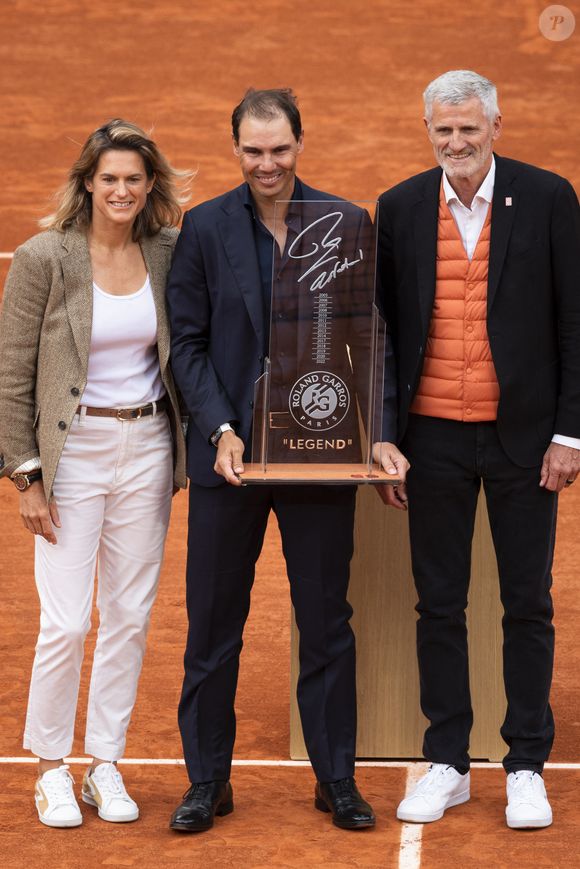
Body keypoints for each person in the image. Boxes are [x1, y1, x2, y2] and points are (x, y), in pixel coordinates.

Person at [166, 88, 408, 833]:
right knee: (212, 626)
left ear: (301, 143)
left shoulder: (343, 222)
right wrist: (219, 429)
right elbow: (187, 345)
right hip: (230, 463)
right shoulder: (203, 227)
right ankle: (208, 781)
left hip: (318, 457)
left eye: (279, 149)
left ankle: (336, 777)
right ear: (234, 149)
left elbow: (372, 338)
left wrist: (378, 430)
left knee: (327, 620)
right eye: (252, 150)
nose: (266, 163)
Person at [376, 70, 580, 829]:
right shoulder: (399, 207)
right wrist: (387, 436)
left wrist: (569, 431)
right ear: (428, 130)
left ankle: (526, 760)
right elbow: (387, 333)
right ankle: (448, 760)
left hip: (525, 441)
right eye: (443, 130)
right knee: (439, 602)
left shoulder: (550, 197)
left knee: (527, 601)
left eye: (468, 128)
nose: (455, 143)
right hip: (430, 439)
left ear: (496, 125)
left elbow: (574, 322)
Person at [0, 119, 189, 828]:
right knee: (66, 620)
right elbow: (11, 370)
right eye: (108, 177)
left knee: (131, 615)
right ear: (88, 181)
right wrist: (26, 477)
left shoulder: (168, 251)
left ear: (149, 187)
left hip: (147, 451)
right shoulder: (45, 256)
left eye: (133, 179)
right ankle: (50, 766)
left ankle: (103, 760)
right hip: (70, 455)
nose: (121, 189)